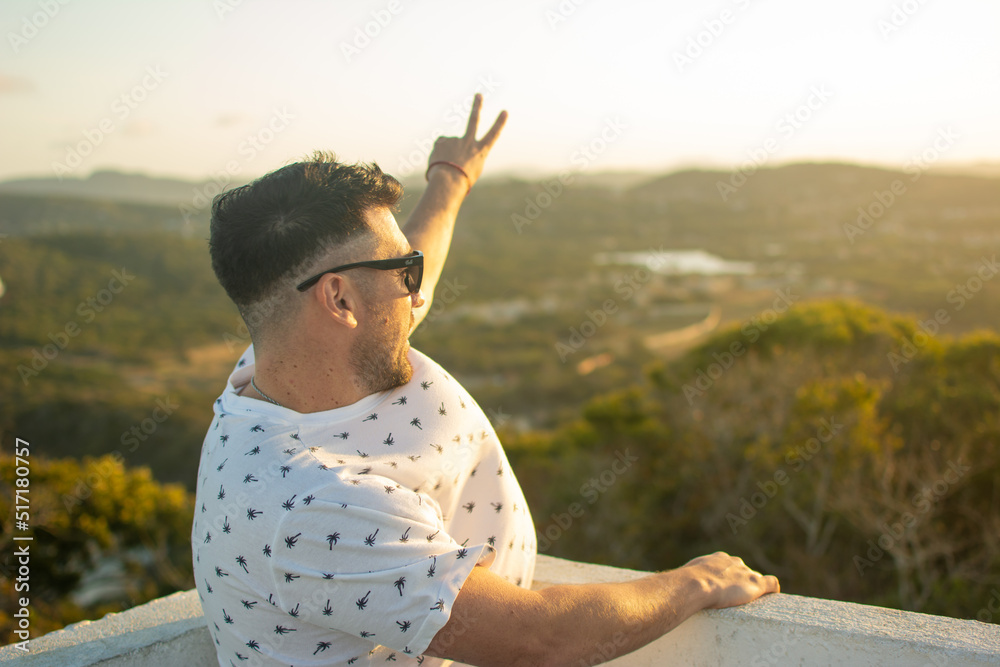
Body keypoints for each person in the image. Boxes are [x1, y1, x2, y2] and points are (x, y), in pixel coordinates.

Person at [191, 94, 779, 667]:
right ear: (340, 299)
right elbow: (541, 639)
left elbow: (405, 274)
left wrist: (451, 178)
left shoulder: (285, 361)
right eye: (403, 271)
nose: (416, 290)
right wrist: (695, 582)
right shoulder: (311, 504)